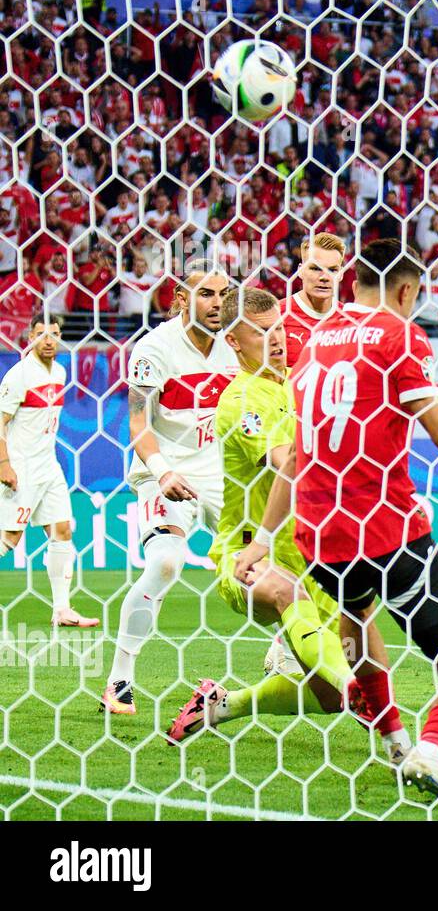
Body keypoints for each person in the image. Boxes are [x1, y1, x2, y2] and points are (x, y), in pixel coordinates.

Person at [238, 240, 438, 805]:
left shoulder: (314, 341)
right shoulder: (399, 334)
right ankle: (431, 751)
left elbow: (293, 455)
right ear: (408, 289)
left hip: (319, 533)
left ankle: (393, 741)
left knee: (357, 620)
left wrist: (263, 539)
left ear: (354, 277)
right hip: (386, 527)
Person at [167, 288, 412, 766]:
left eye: (278, 327)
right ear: (234, 342)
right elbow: (290, 464)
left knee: (326, 699)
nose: (275, 338)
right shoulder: (240, 400)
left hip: (316, 558)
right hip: (249, 559)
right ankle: (361, 692)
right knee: (285, 596)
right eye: (260, 332)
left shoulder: (299, 386)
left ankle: (223, 704)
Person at [104, 267, 238, 716]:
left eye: (224, 294)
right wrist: (161, 473)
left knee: (271, 565)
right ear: (182, 298)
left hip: (221, 475)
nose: (217, 303)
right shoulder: (154, 349)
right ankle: (120, 680)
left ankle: (285, 658)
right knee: (165, 561)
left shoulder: (236, 345)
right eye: (206, 294)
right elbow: (138, 423)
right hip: (164, 471)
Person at [0, 315, 97, 627]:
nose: (48, 340)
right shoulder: (18, 377)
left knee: (62, 531)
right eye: (41, 334)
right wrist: (5, 464)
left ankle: (62, 610)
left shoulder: (60, 371)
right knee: (9, 537)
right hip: (21, 465)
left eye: (54, 334)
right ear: (30, 336)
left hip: (48, 465)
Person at [281, 233, 347, 367]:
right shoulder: (278, 315)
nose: (324, 277)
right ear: (300, 271)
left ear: (341, 274)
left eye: (333, 270)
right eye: (316, 268)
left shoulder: (350, 321)